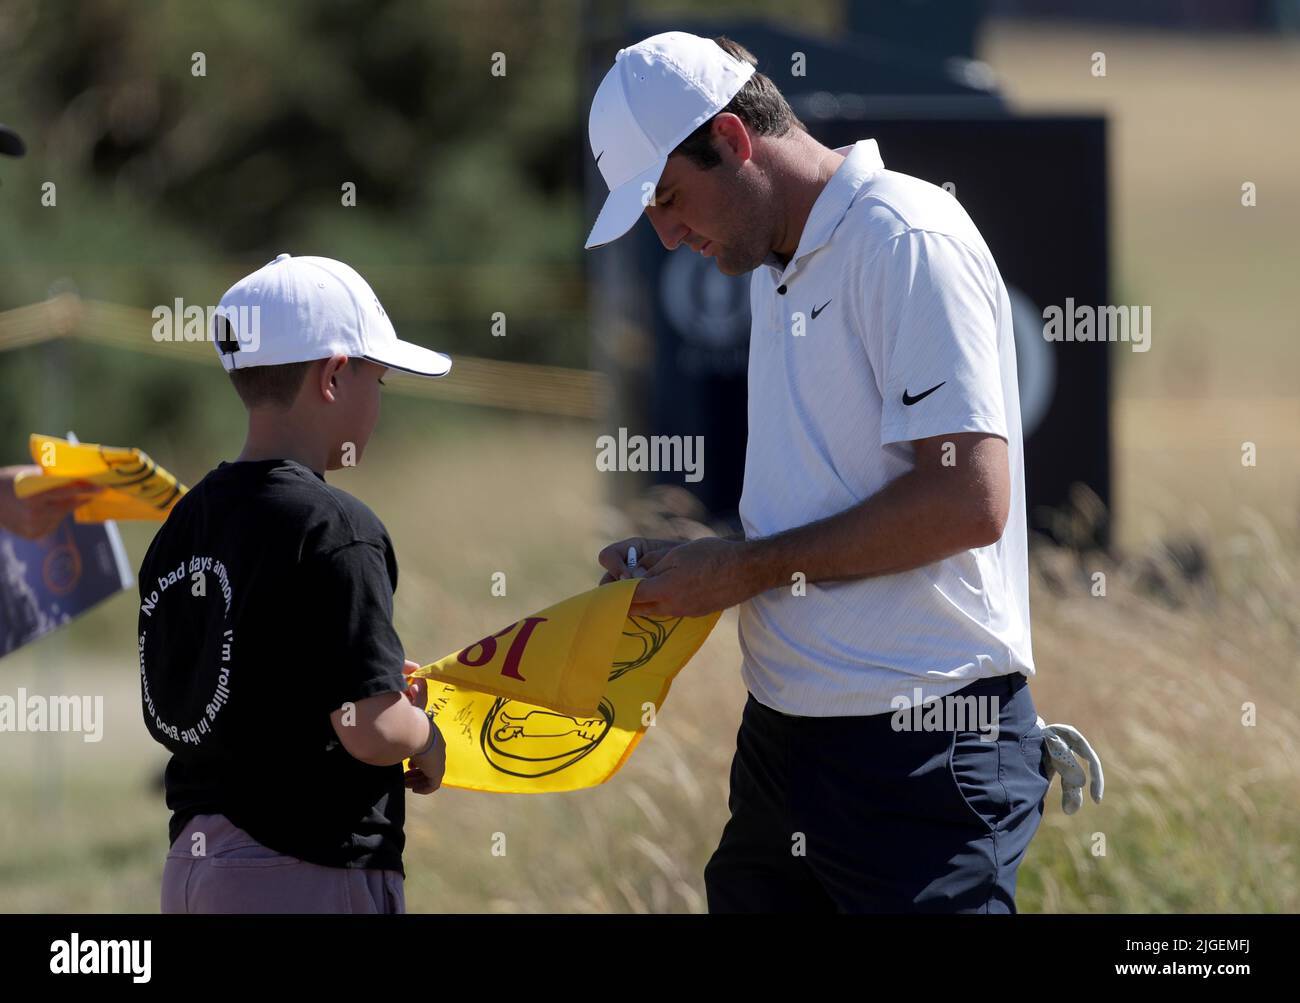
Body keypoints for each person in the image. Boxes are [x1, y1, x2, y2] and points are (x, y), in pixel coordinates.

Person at [588, 32, 1098, 913]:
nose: (669, 236)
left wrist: (738, 570)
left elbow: (967, 501)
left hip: (924, 751)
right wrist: (704, 558)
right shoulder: (770, 260)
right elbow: (833, 500)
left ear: (736, 140)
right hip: (787, 741)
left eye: (670, 199)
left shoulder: (905, 239)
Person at [137, 253, 452, 913]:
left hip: (193, 869)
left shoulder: (183, 523)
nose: (380, 403)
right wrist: (422, 733)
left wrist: (368, 686)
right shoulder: (339, 529)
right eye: (381, 381)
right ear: (336, 375)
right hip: (305, 873)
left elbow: (204, 698)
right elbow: (371, 730)